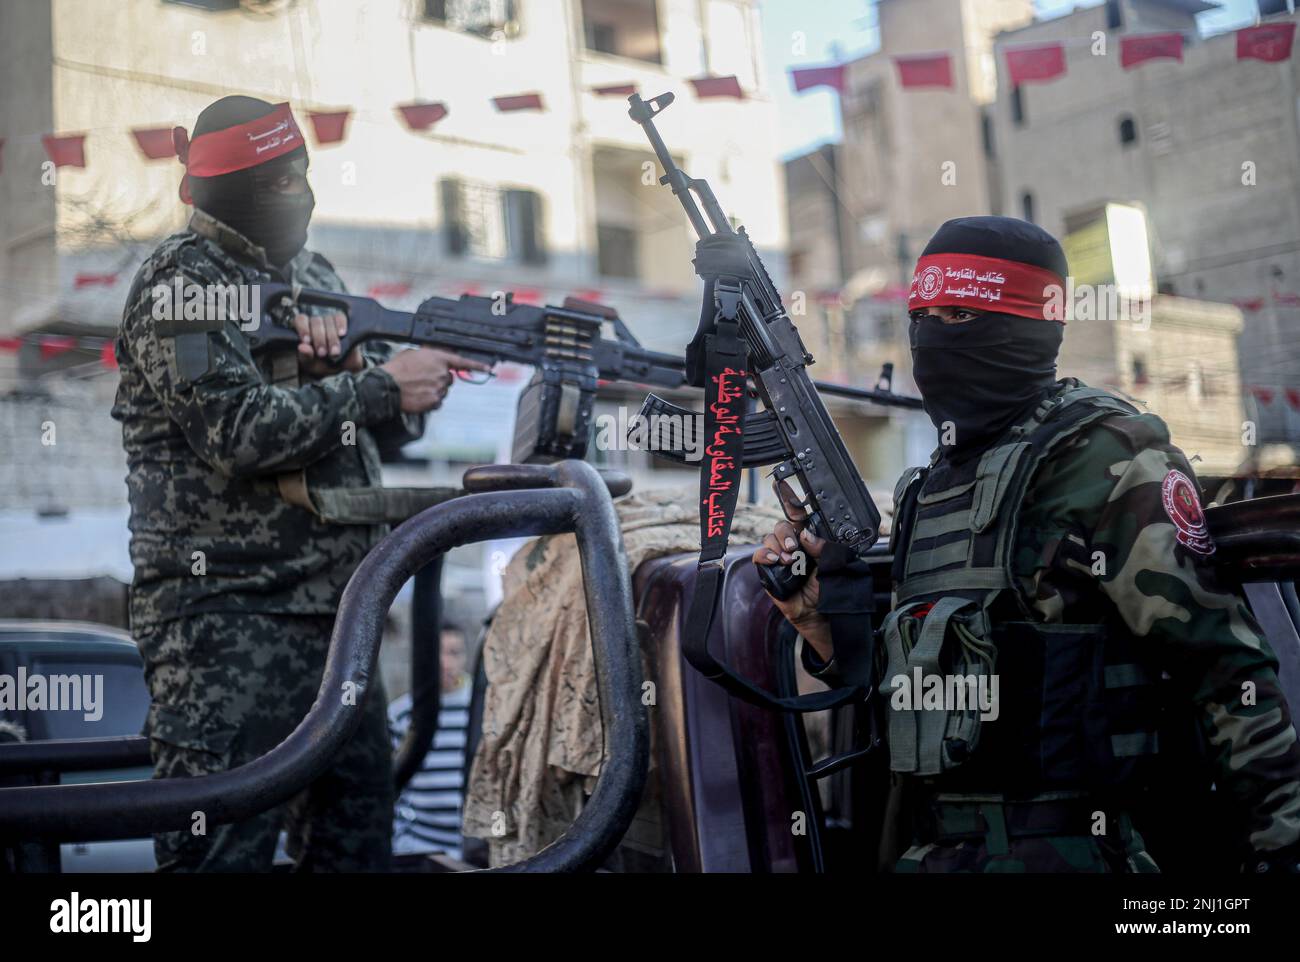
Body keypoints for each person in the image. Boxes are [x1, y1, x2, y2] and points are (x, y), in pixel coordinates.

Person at [754, 215, 1300, 873]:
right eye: (920, 315)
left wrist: (1281, 849)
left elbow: (1224, 668)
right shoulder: (926, 492)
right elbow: (922, 702)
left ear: (1028, 324)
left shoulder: (1110, 457)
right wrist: (817, 620)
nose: (931, 336)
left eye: (958, 314)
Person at [112, 95, 486, 872]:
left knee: (356, 845)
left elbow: (358, 431)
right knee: (222, 853)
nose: (300, 194)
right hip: (229, 620)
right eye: (278, 181)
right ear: (226, 188)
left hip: (341, 613)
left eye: (302, 174)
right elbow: (236, 431)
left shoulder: (312, 273)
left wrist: (395, 388)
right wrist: (381, 388)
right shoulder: (183, 281)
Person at [387, 624, 473, 860]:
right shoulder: (401, 714)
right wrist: (404, 844)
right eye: (437, 652)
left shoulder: (483, 709)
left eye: (454, 653)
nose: (446, 663)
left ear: (465, 656)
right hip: (423, 847)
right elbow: (390, 790)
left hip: (478, 852)